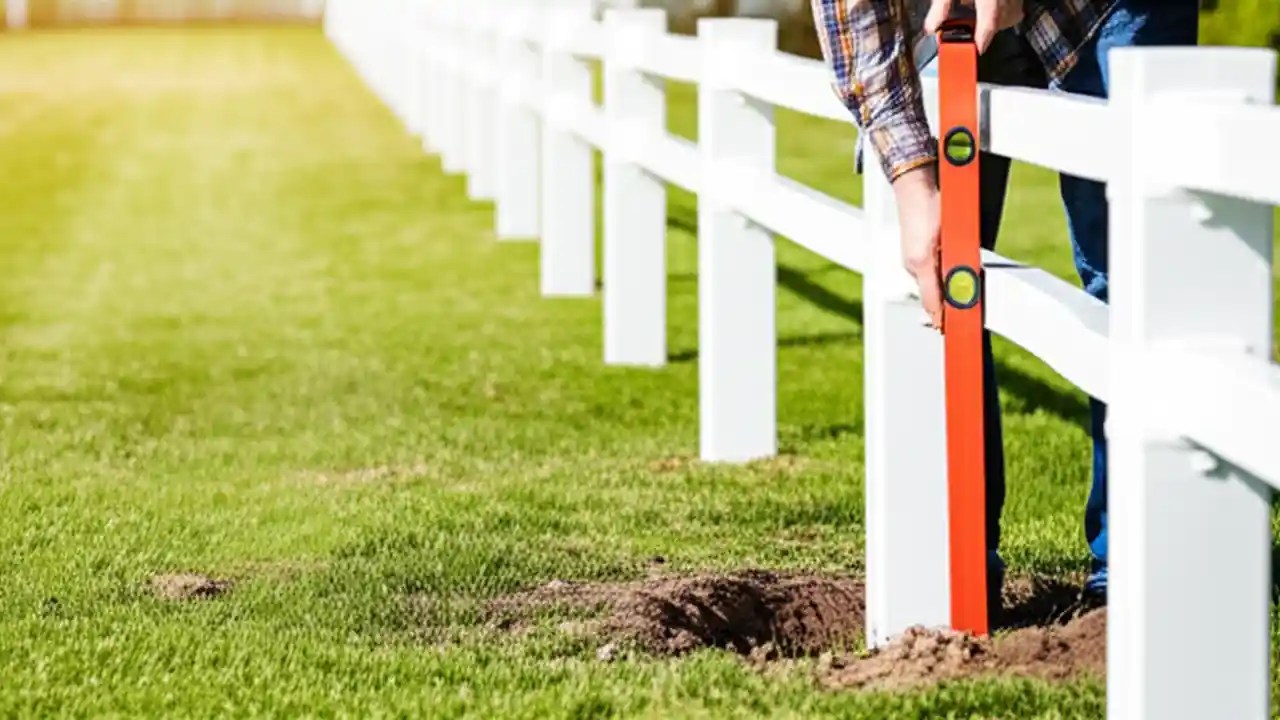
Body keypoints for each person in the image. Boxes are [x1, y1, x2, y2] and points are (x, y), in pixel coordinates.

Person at [809, 0, 1200, 613]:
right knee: (938, 276)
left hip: (1100, 9)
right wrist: (914, 184)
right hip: (953, 22)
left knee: (1132, 273)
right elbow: (853, 16)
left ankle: (1135, 574)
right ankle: (959, 570)